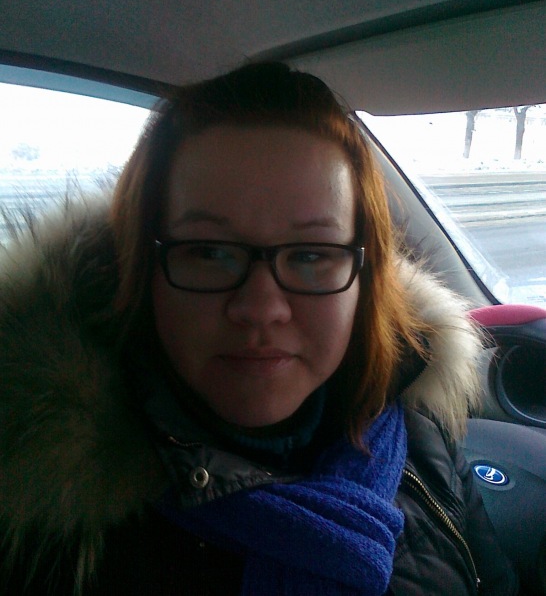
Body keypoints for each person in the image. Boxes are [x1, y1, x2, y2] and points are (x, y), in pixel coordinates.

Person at [0, 62, 517, 595]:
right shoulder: (40, 513)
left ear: (366, 277)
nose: (261, 308)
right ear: (140, 269)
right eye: (208, 252)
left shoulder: (419, 427)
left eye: (312, 254)